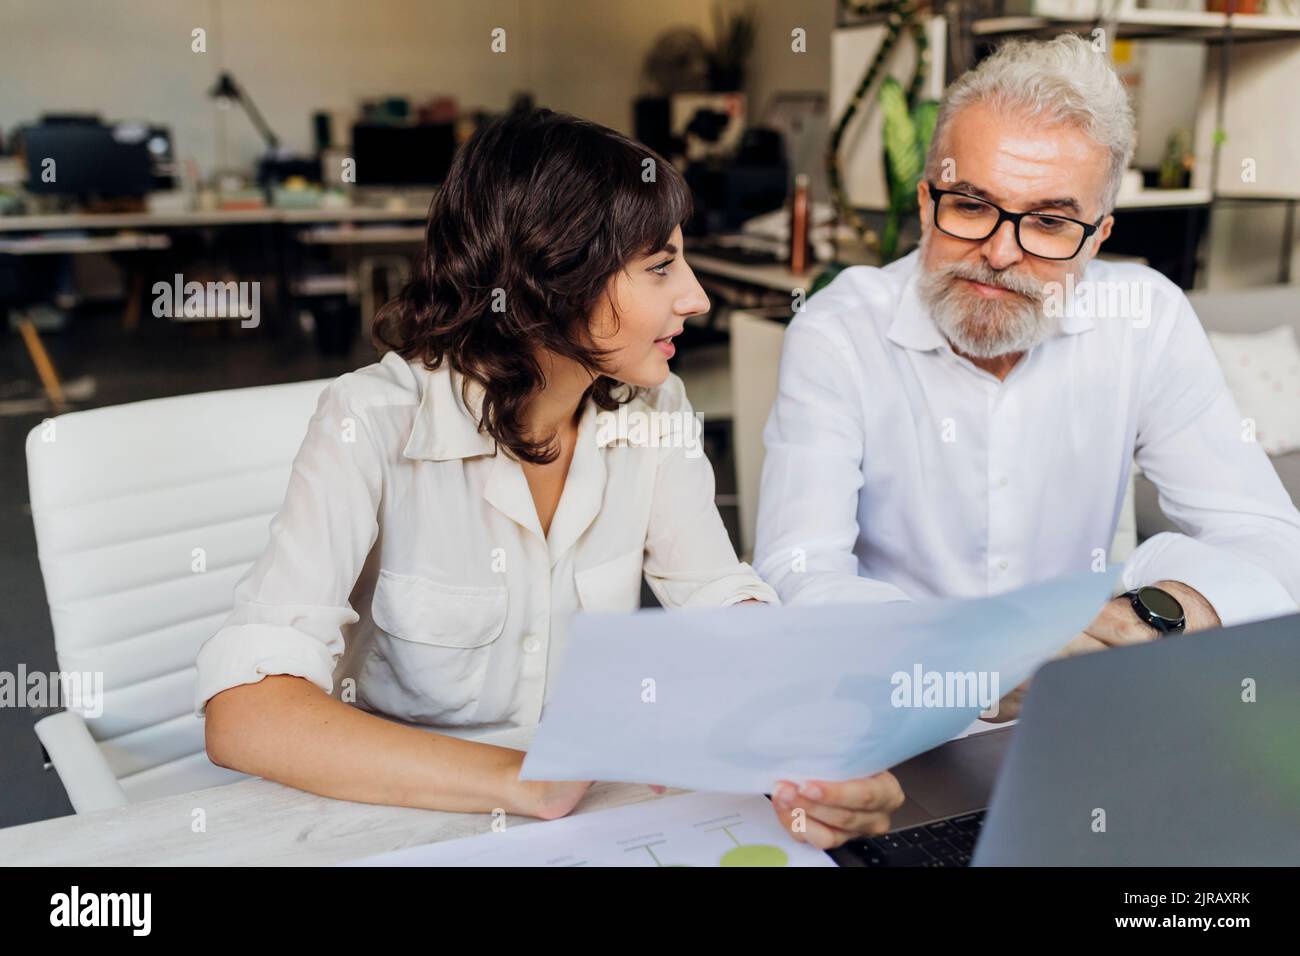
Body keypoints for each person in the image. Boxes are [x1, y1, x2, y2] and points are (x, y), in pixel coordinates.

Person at [197, 108, 904, 849]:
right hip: (401, 819)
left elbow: (714, 595)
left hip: (583, 819)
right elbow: (245, 713)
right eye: (660, 267)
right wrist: (518, 777)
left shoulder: (652, 405)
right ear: (549, 278)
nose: (695, 297)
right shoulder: (371, 422)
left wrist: (809, 733)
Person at [755, 34, 1300, 719]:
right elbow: (796, 568)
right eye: (972, 206)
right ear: (927, 204)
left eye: (1049, 222)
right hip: (892, 711)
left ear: (1098, 238)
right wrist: (974, 657)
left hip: (1081, 711)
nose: (1000, 253)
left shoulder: (1145, 316)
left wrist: (1162, 615)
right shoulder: (840, 331)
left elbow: (1271, 539)